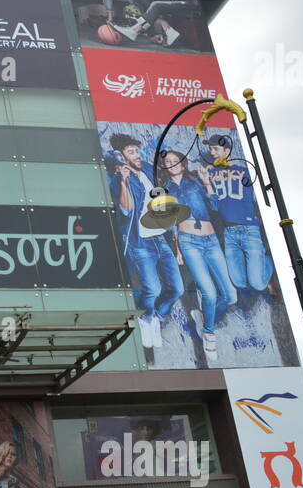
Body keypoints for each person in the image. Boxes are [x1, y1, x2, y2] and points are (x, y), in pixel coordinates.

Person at [159, 149, 237, 362]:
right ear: (165, 166)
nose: (173, 163)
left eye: (176, 160)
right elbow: (171, 223)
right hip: (188, 242)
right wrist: (177, 249)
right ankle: (209, 334)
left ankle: (205, 318)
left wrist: (207, 183)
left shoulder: (195, 183)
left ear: (183, 164)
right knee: (209, 293)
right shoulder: (165, 190)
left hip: (211, 241)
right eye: (168, 161)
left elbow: (216, 206)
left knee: (231, 296)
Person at [108, 133, 184, 351]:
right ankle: (146, 318)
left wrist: (176, 242)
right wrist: (123, 182)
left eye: (137, 151)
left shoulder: (149, 172)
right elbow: (126, 210)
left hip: (161, 239)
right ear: (121, 156)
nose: (137, 155)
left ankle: (156, 317)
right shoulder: (119, 179)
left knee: (177, 289)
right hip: (140, 241)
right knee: (152, 289)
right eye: (131, 152)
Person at [204, 135, 276, 305]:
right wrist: (207, 183)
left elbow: (258, 197)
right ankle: (257, 265)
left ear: (227, 151)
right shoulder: (210, 173)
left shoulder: (245, 170)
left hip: (249, 229)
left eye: (216, 149)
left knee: (258, 284)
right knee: (239, 282)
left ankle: (268, 260)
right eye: (210, 149)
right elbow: (215, 207)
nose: (212, 152)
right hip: (229, 232)